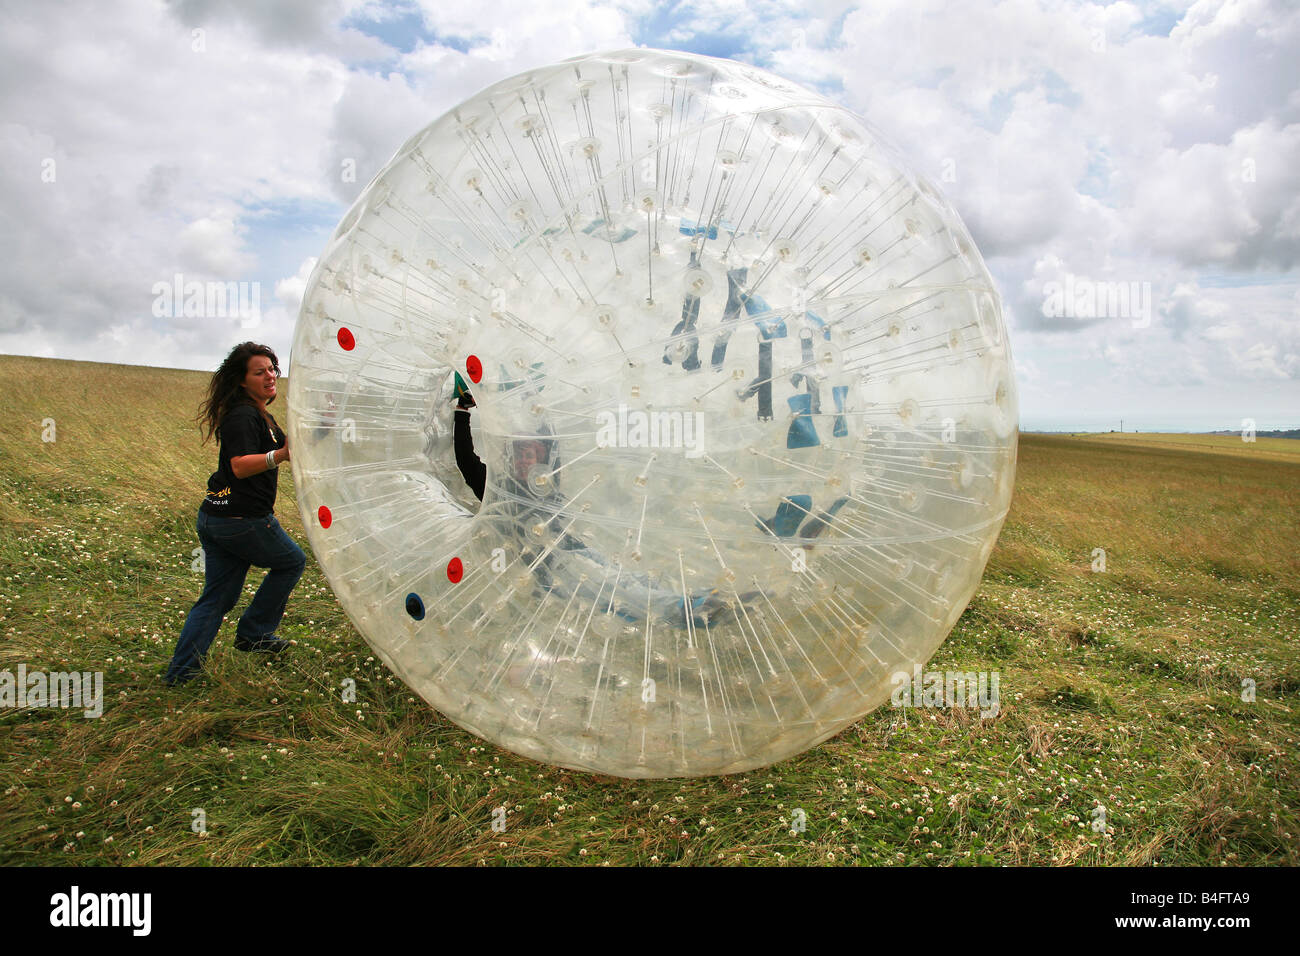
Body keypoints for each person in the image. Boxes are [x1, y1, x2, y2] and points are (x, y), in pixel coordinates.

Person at [164, 342, 307, 686]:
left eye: (272, 368)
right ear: (243, 380)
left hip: (217, 518)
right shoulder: (244, 415)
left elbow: (293, 445)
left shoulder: (261, 415)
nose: (270, 375)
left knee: (217, 599)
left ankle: (181, 674)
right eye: (260, 372)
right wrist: (279, 457)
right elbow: (240, 466)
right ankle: (254, 633)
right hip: (242, 521)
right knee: (291, 561)